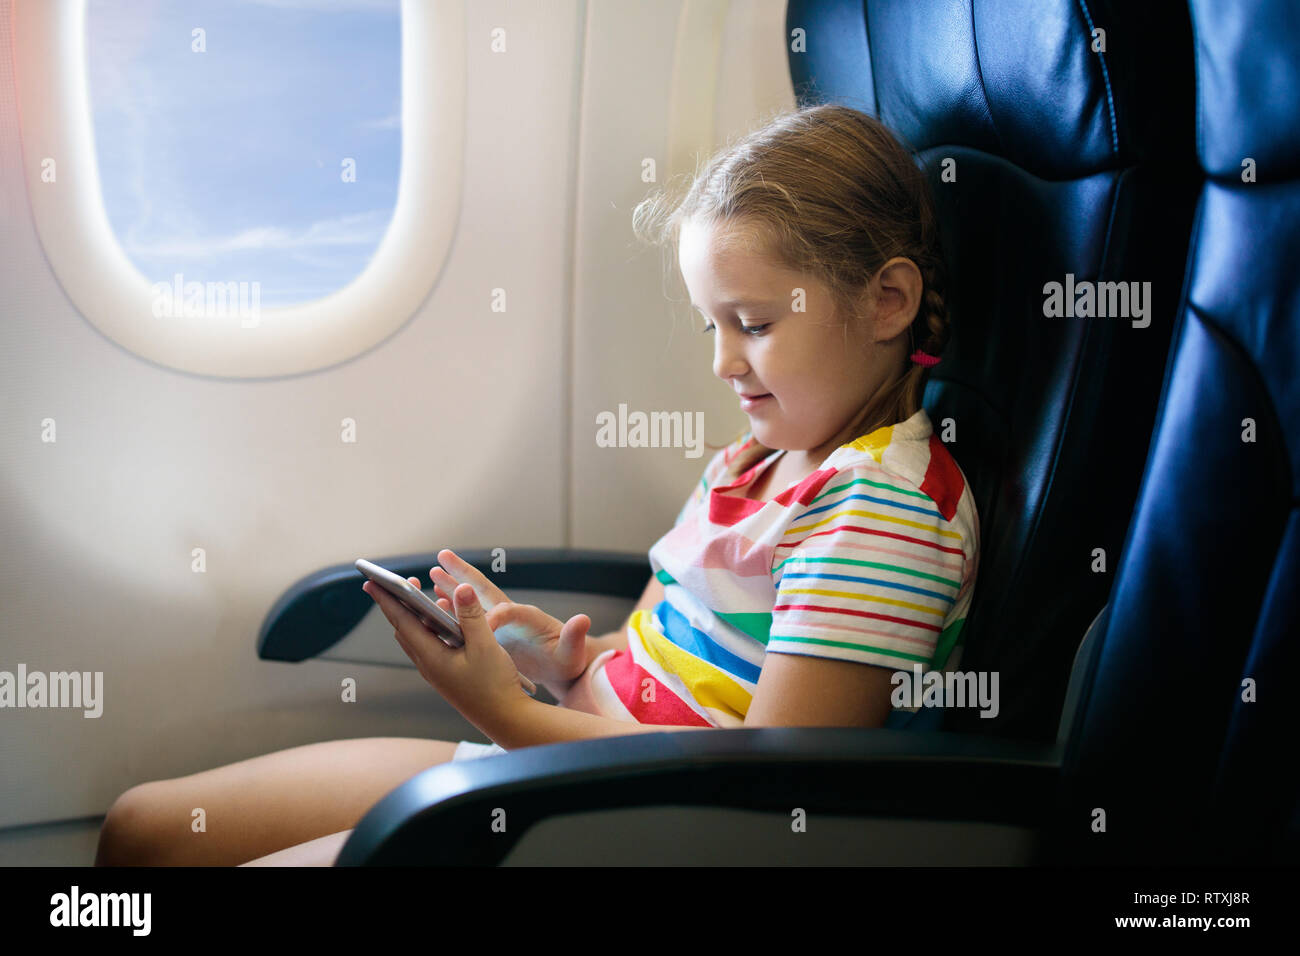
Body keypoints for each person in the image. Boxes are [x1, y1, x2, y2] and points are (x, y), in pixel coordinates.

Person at [94, 103, 979, 867]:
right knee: (144, 832)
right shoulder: (753, 467)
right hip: (571, 771)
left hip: (646, 828)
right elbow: (668, 670)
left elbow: (771, 795)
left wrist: (501, 711)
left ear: (887, 301)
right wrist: (565, 663)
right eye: (713, 323)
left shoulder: (880, 514)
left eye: (752, 324)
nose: (721, 361)